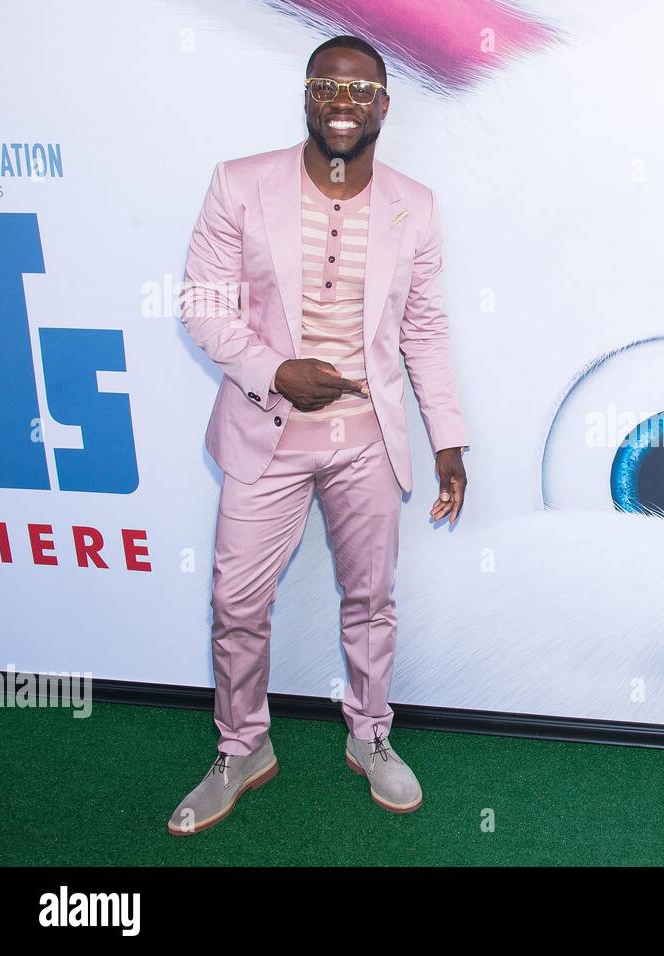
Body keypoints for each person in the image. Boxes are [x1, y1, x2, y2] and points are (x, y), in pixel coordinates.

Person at [168, 34, 470, 836]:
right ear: (306, 96)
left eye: (362, 91)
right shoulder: (239, 185)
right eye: (329, 88)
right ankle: (242, 749)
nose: (345, 104)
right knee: (236, 601)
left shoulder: (416, 205)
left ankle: (370, 735)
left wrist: (449, 438)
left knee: (371, 599)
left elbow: (426, 330)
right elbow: (203, 303)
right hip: (266, 432)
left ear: (384, 106)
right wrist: (276, 371)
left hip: (368, 437)